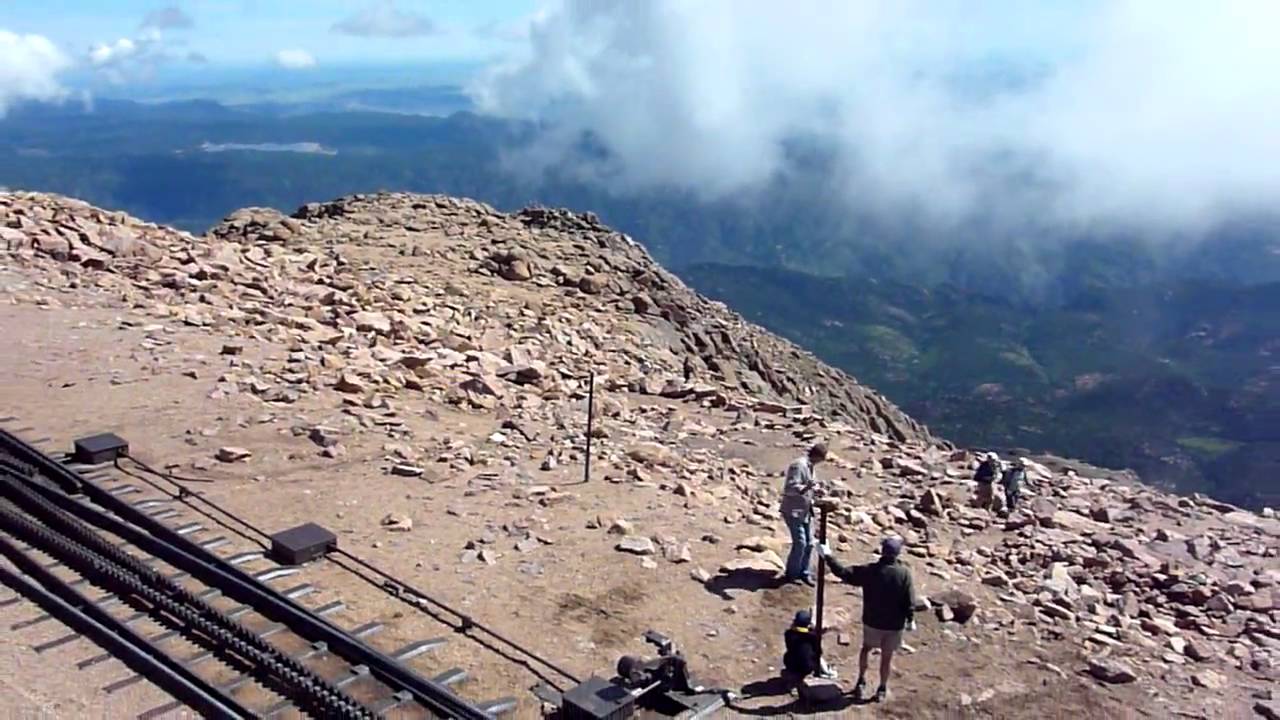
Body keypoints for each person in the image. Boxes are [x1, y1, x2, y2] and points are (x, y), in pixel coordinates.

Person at [818, 537, 926, 703]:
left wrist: (828, 556)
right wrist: (910, 619)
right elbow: (909, 601)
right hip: (894, 625)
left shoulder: (870, 571)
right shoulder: (904, 574)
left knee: (866, 649)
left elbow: (844, 573)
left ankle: (861, 680)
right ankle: (882, 688)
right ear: (897, 554)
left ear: (882, 551)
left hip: (872, 621)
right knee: (887, 657)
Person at [780, 443, 828, 586]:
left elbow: (811, 484)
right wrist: (806, 488)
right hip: (793, 510)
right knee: (800, 543)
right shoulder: (798, 466)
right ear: (817, 456)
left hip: (805, 510)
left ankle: (804, 572)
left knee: (810, 544)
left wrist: (817, 490)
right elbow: (790, 488)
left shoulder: (810, 466)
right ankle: (792, 574)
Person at [782, 609, 837, 682]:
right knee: (814, 657)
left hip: (791, 664)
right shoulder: (812, 636)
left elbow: (790, 644)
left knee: (791, 654)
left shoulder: (788, 634)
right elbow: (819, 652)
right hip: (807, 667)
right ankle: (826, 672)